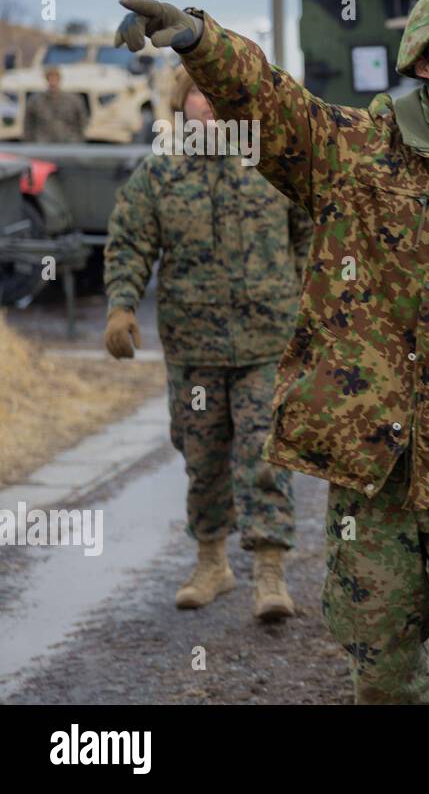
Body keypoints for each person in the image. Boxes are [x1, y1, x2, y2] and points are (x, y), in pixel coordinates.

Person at [112, 0, 429, 705]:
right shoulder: (355, 152)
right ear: (427, 63)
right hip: (372, 469)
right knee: (384, 671)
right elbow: (268, 105)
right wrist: (198, 41)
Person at [104, 67, 309, 621]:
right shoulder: (160, 173)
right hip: (193, 345)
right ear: (181, 104)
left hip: (267, 340)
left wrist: (313, 314)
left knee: (264, 453)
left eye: (218, 92)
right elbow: (129, 242)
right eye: (196, 93)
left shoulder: (274, 166)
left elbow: (309, 241)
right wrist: (122, 306)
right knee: (202, 454)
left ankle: (270, 573)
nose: (208, 104)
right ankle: (212, 563)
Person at [23, 66, 88, 142]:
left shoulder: (72, 101)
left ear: (59, 79)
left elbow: (81, 121)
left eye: (55, 78)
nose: (53, 81)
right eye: (50, 78)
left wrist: (78, 140)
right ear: (47, 79)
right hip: (43, 143)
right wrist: (30, 141)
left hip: (68, 142)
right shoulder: (36, 101)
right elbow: (28, 123)